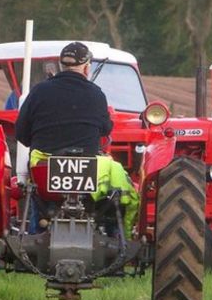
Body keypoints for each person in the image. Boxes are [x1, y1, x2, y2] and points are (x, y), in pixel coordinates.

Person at [15, 42, 138, 232]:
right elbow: (105, 129)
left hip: (44, 167)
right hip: (90, 167)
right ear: (87, 67)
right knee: (118, 189)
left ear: (60, 65)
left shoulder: (39, 91)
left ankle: (34, 233)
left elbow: (21, 133)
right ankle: (116, 232)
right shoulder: (96, 94)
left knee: (36, 195)